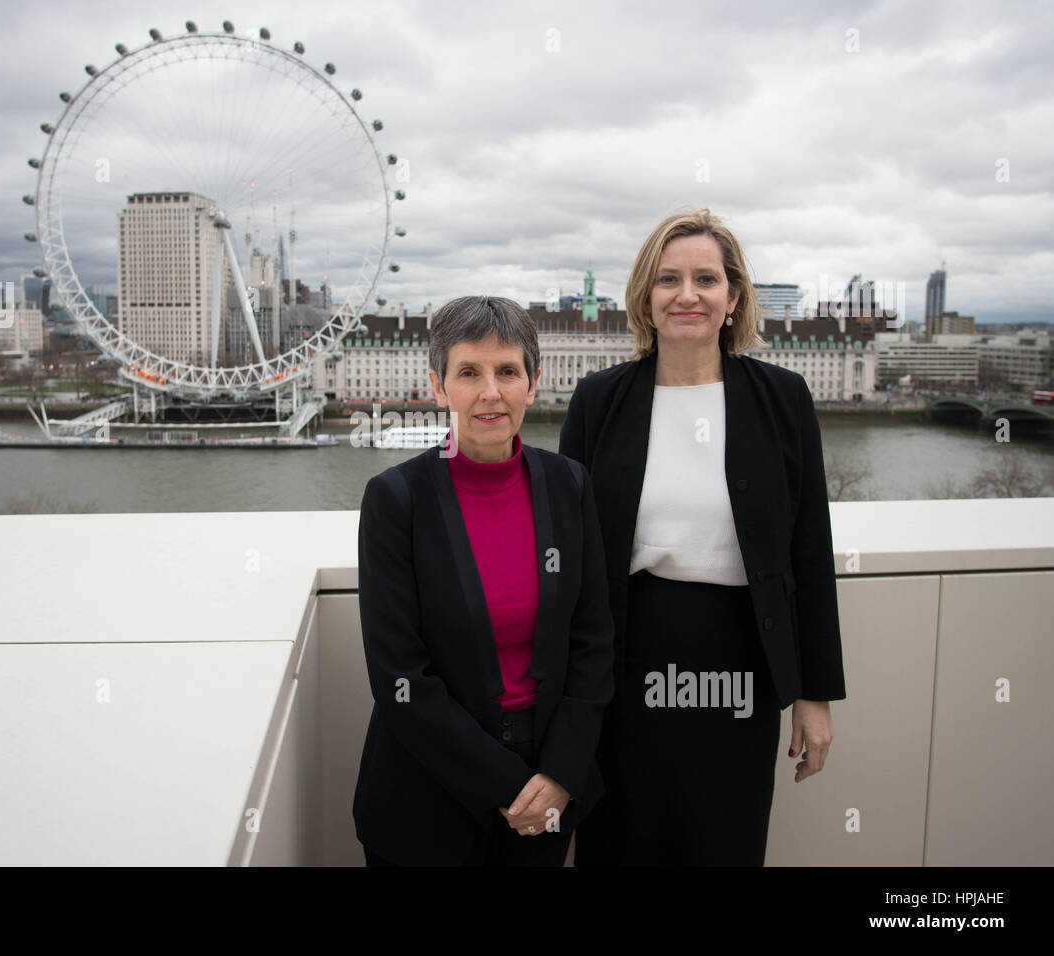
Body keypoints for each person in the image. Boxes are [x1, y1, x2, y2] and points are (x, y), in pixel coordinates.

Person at [561, 208, 846, 866]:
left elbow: (810, 551)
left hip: (742, 663)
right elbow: (569, 560)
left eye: (705, 279)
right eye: (668, 280)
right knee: (620, 842)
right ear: (645, 296)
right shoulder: (599, 402)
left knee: (725, 841)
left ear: (733, 297)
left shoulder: (783, 399)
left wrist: (815, 692)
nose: (687, 294)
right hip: (624, 667)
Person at [353, 295, 614, 866]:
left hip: (547, 786)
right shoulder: (396, 500)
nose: (490, 392)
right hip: (425, 790)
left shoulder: (569, 486)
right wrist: (509, 787)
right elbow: (399, 676)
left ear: (533, 382)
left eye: (507, 372)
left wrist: (561, 774)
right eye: (469, 372)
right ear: (438, 387)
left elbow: (593, 640)